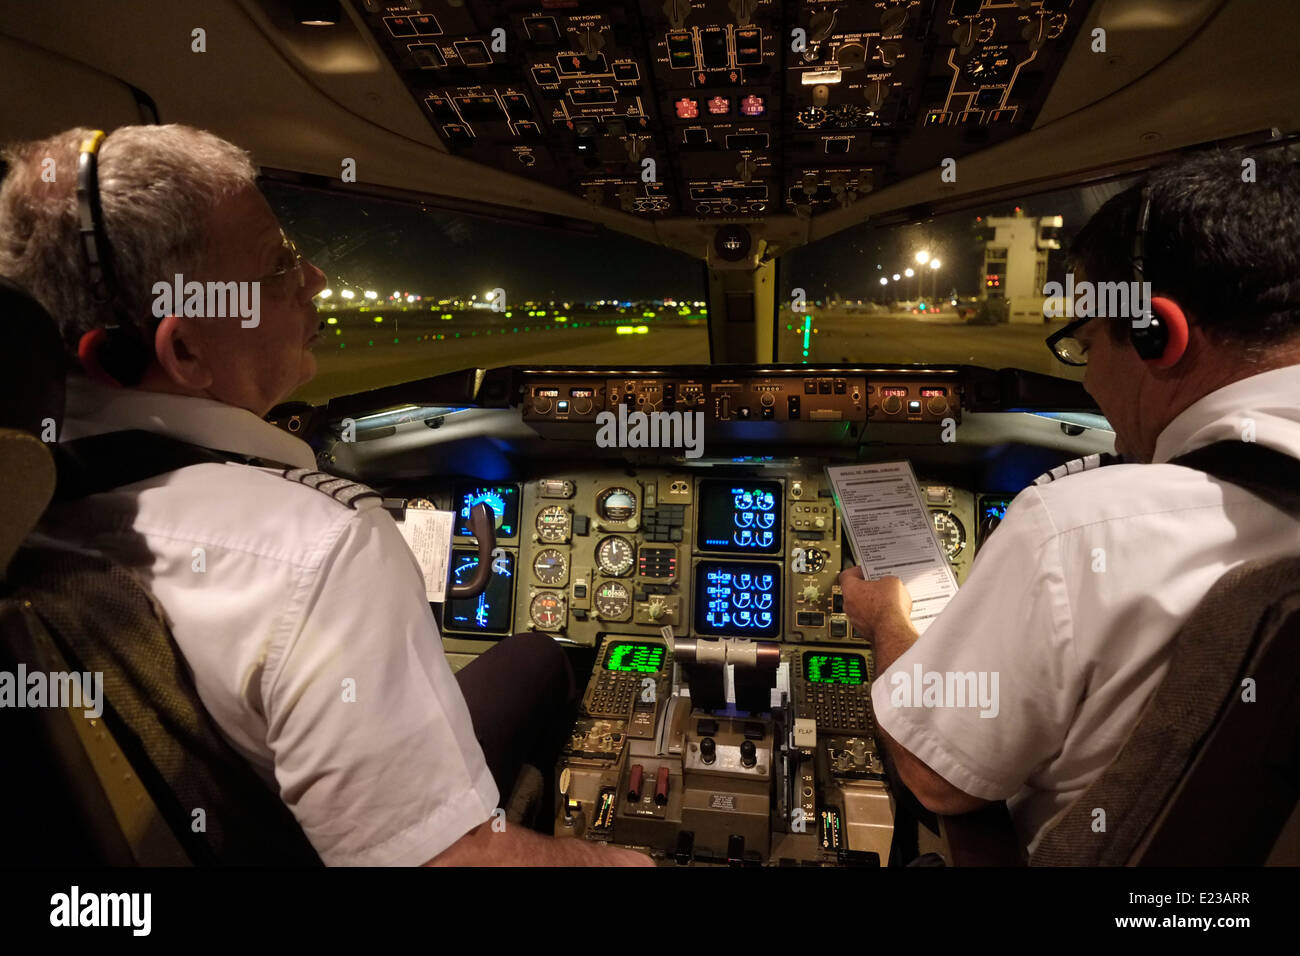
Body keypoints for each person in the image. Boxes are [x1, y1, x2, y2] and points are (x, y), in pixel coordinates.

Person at [0, 124, 650, 866]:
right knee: (547, 657)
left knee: (532, 654)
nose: (313, 278)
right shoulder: (318, 546)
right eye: (277, 265)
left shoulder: (21, 498)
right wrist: (632, 860)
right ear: (184, 350)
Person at [838, 149, 1300, 854]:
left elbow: (934, 774)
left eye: (1086, 345)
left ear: (1158, 333)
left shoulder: (1081, 530)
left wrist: (885, 620)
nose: (1088, 385)